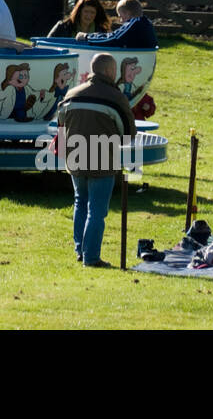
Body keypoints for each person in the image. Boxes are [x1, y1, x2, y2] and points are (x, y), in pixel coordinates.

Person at [58, 52, 138, 267]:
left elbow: (61, 127)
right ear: (110, 71)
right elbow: (129, 134)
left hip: (75, 157)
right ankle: (91, 257)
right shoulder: (115, 97)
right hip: (102, 159)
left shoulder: (71, 94)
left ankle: (80, 250)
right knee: (96, 210)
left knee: (80, 202)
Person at [77, 0, 156, 48]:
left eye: (121, 16)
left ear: (127, 13)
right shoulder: (146, 23)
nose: (121, 21)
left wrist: (87, 36)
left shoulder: (134, 24)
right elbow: (115, 36)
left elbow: (113, 39)